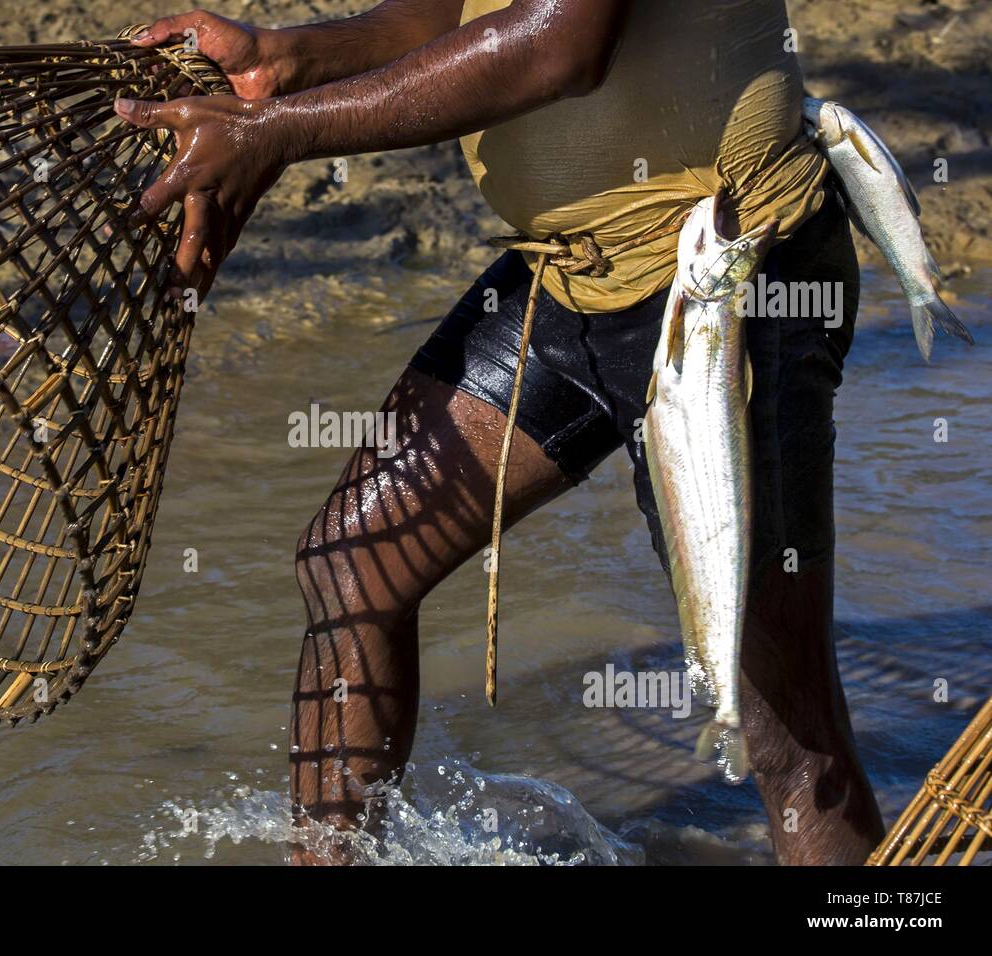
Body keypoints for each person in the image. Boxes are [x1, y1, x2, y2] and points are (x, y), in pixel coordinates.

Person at [116, 0, 885, 865]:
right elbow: (467, 8)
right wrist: (290, 58)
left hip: (728, 276)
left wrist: (278, 131)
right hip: (565, 272)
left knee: (785, 731)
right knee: (354, 563)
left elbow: (561, 44)